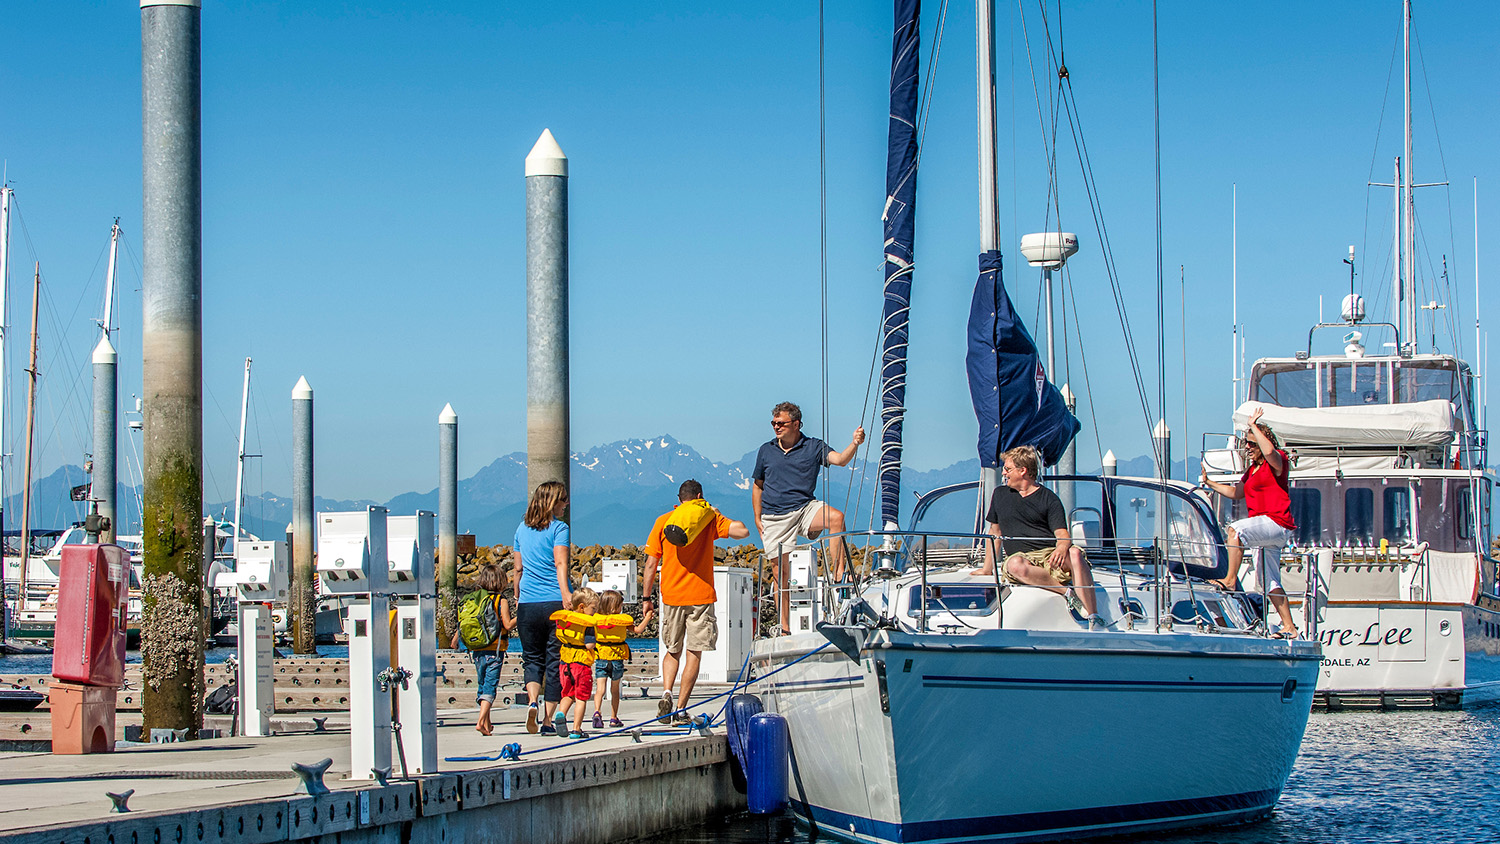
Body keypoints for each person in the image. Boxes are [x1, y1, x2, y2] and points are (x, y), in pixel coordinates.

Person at [751, 401, 865, 633]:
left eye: (781, 423)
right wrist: (757, 517)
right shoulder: (766, 450)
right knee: (780, 574)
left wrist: (855, 443)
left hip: (804, 508)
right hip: (775, 516)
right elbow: (757, 486)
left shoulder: (813, 447)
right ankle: (784, 627)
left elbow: (841, 460)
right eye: (773, 423)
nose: (776, 427)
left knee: (836, 517)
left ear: (796, 424)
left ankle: (838, 575)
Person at [643, 480, 749, 724]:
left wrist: (647, 598)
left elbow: (650, 564)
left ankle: (667, 692)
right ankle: (680, 709)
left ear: (679, 499)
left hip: (671, 595)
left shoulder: (664, 521)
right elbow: (742, 531)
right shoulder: (708, 519)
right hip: (700, 596)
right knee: (694, 653)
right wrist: (716, 513)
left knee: (672, 650)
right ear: (700, 496)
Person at [971, 446, 1103, 629]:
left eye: (1008, 469)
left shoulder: (1049, 498)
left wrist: (1061, 548)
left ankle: (1093, 616)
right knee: (1015, 565)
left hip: (1049, 555)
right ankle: (1068, 593)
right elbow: (995, 533)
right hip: (1021, 559)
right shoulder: (1000, 495)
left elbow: (1062, 535)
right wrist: (987, 569)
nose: (1004, 473)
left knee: (1074, 553)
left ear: (1022, 470)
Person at [1200, 406, 1301, 638]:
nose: (1247, 447)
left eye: (1251, 443)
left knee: (1235, 529)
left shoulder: (1277, 462)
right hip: (1265, 531)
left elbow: (1270, 452)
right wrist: (1211, 483)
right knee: (1269, 582)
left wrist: (1254, 426)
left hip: (1276, 523)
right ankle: (1289, 626)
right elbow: (1236, 493)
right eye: (1247, 443)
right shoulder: (1252, 471)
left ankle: (1230, 579)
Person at [513, 480, 573, 735]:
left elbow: (517, 568)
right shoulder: (560, 529)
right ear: (552, 502)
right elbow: (561, 564)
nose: (566, 504)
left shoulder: (521, 529)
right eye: (563, 500)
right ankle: (548, 720)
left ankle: (531, 702)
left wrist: (517, 595)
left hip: (527, 604)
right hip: (553, 604)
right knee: (554, 661)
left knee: (532, 660)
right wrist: (566, 594)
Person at [449, 564, 515, 736]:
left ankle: (487, 722)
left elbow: (463, 623)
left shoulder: (474, 599)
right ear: (501, 582)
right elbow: (507, 625)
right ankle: (480, 722)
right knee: (490, 686)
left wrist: (455, 640)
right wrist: (521, 616)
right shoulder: (501, 601)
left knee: (482, 684)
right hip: (495, 650)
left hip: (476, 649)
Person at [589, 589, 654, 729]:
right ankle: (613, 718)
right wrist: (648, 617)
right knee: (614, 690)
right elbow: (638, 630)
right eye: (620, 606)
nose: (621, 608)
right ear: (614, 607)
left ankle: (597, 712)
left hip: (601, 658)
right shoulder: (622, 621)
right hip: (616, 659)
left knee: (600, 689)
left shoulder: (596, 620)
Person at [549, 588, 600, 739]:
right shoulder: (587, 624)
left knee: (567, 694)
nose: (594, 611)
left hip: (565, 663)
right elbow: (589, 645)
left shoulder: (566, 619)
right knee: (581, 698)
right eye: (593, 608)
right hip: (581, 664)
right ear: (582, 607)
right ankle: (576, 729)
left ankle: (561, 713)